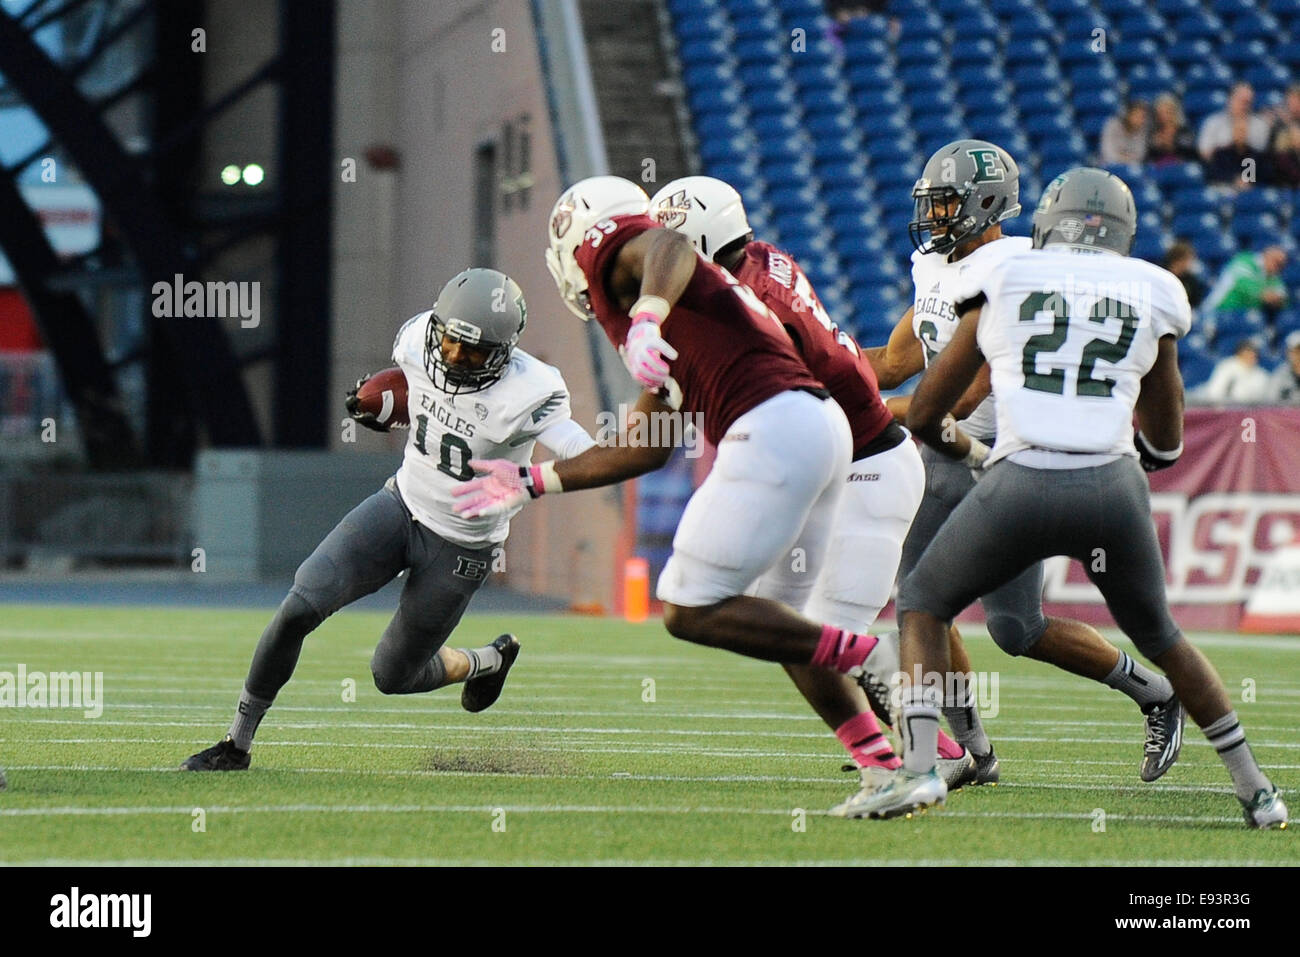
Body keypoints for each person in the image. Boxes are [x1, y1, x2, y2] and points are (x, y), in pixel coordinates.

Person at [858, 167, 1287, 830]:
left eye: (947, 203)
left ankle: (920, 768)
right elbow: (1164, 414)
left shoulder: (1002, 277)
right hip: (1112, 482)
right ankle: (1257, 788)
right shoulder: (1153, 286)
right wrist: (1157, 459)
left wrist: (939, 434)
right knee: (1155, 633)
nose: (936, 217)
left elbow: (944, 401)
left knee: (924, 602)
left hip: (1014, 474)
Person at [455, 176, 898, 729]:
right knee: (786, 624)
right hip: (823, 432)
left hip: (800, 433)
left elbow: (667, 246)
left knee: (695, 605)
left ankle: (882, 671)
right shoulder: (710, 304)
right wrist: (534, 479)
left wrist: (646, 316)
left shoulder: (628, 261)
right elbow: (639, 451)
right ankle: (892, 762)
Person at [644, 176, 986, 805]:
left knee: (828, 639)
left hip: (866, 465)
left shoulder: (744, 298)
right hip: (853, 461)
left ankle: (935, 758)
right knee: (801, 629)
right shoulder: (763, 262)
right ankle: (903, 757)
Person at [180, 269, 599, 770]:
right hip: (399, 504)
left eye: (474, 353)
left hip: (462, 544)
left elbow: (589, 456)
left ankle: (488, 660)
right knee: (298, 607)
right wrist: (374, 406)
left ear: (506, 350)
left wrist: (534, 479)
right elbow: (412, 392)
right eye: (449, 344)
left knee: (392, 675)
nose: (455, 359)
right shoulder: (418, 338)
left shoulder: (532, 391)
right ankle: (236, 744)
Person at [1202, 245, 1288, 319]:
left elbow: (1282, 297)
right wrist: (1266, 294)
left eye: (1281, 265)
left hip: (1243, 317)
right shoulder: (1245, 260)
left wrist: (1276, 298)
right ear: (1266, 254)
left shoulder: (1273, 276)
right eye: (1276, 261)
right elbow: (1244, 285)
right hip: (1218, 310)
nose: (1278, 266)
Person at [1197, 82, 1270, 162]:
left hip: (1251, 168)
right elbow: (1204, 152)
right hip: (1220, 166)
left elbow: (1261, 153)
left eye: (1248, 102)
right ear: (1230, 99)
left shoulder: (1260, 125)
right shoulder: (1213, 122)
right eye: (1241, 101)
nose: (1245, 105)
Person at [1202, 339, 1272, 403]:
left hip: (1253, 412)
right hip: (1228, 409)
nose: (1251, 355)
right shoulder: (1227, 368)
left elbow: (1268, 399)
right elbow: (1214, 394)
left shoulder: (1262, 375)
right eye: (1248, 351)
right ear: (1239, 353)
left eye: (1253, 352)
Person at [1147, 93, 1197, 165]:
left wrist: (1170, 145)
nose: (1163, 116)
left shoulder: (1184, 132)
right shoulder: (1153, 133)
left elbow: (1190, 153)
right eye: (1160, 113)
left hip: (1180, 168)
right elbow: (1149, 156)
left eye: (1167, 112)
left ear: (1174, 112)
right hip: (1159, 169)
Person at [1099, 99, 1149, 166]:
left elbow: (1140, 155)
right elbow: (1108, 153)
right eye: (1137, 115)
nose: (1141, 120)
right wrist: (1125, 159)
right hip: (1110, 165)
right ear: (1129, 115)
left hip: (1131, 167)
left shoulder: (1143, 129)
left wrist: (1125, 158)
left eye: (1143, 117)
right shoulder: (1112, 125)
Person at [1163, 239, 1206, 309]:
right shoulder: (1162, 275)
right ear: (1179, 260)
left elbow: (1196, 303)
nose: (1190, 263)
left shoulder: (1191, 280)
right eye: (1188, 260)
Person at [1270, 330, 1300, 402]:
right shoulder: (1279, 376)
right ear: (1288, 353)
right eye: (1296, 351)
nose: (1299, 355)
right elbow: (1271, 402)